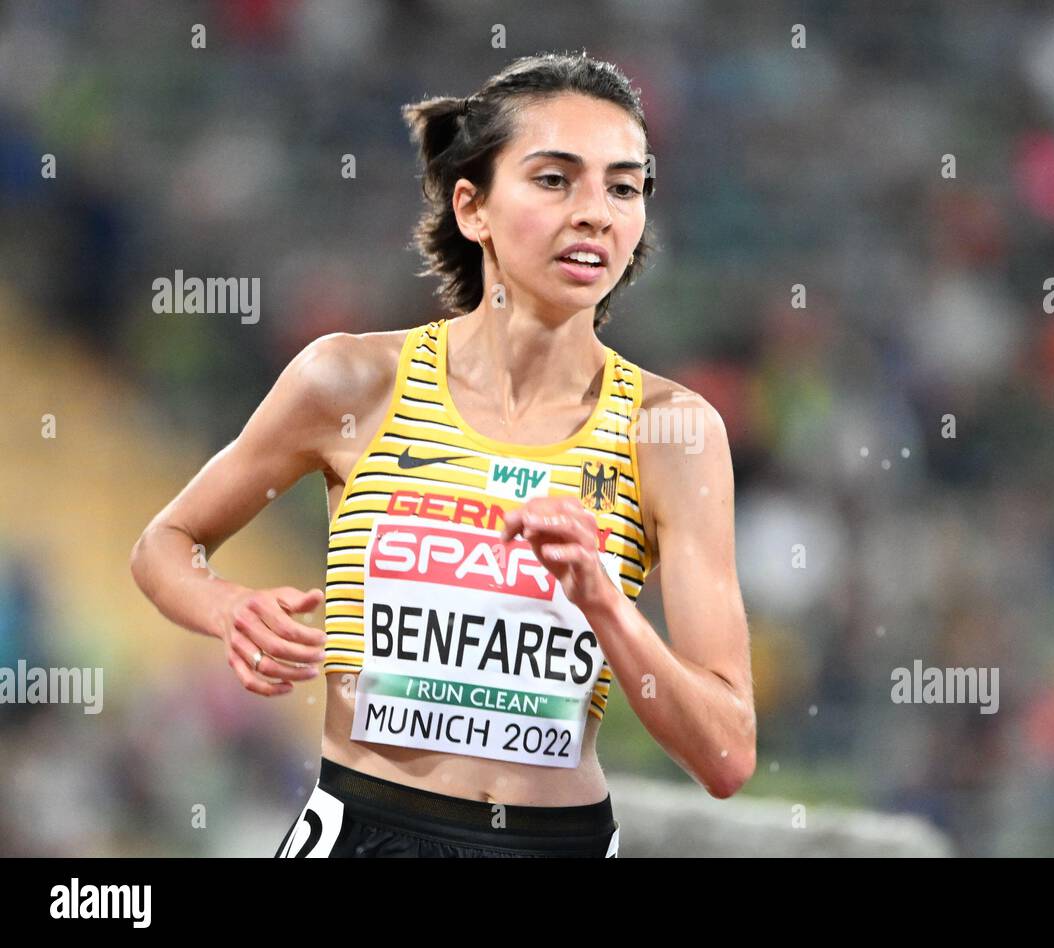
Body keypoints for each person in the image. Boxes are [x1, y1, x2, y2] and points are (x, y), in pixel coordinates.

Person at [130, 51, 755, 858]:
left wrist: (603, 601)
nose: (595, 214)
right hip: (366, 833)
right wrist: (228, 610)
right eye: (555, 180)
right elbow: (165, 544)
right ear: (473, 207)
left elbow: (726, 755)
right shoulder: (351, 382)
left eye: (623, 188)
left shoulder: (672, 433)